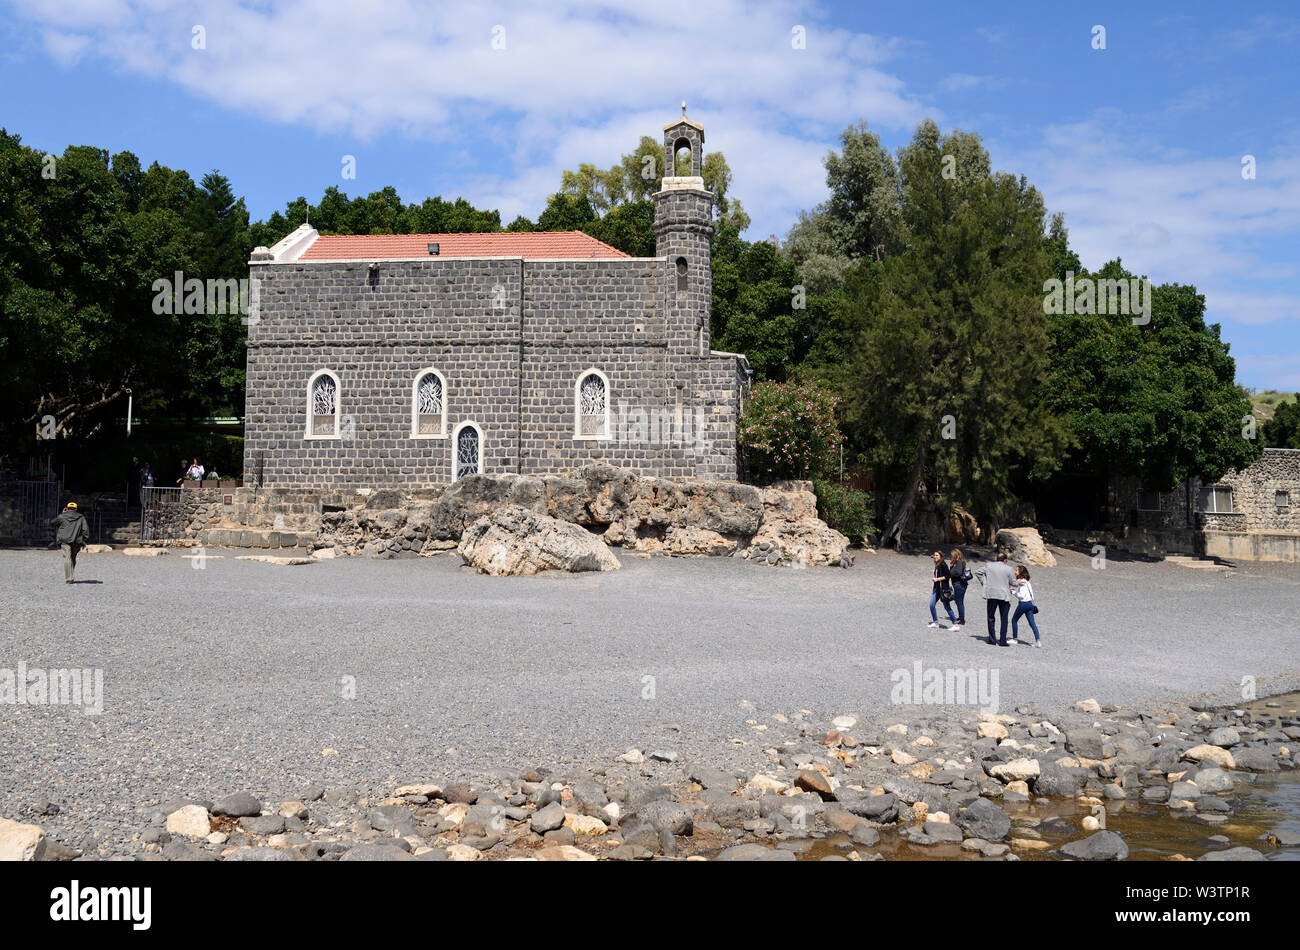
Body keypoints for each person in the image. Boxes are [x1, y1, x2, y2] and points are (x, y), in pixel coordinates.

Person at [975, 552, 1017, 646]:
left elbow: (978, 572)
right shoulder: (1009, 568)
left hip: (991, 594)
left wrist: (985, 583)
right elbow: (1013, 582)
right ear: (1005, 560)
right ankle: (1002, 640)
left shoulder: (989, 565)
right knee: (1004, 618)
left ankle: (992, 639)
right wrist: (1018, 582)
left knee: (990, 617)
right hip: (1004, 595)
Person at [50, 501, 90, 584]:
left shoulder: (62, 516)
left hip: (64, 540)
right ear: (76, 509)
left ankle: (69, 578)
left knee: (67, 557)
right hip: (77, 541)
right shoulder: (81, 517)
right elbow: (86, 531)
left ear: (67, 508)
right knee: (73, 557)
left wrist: (62, 514)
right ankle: (70, 575)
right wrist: (82, 540)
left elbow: (53, 523)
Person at [1011, 565, 1042, 647]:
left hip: (1023, 604)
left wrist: (1013, 592)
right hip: (1030, 604)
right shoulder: (1027, 582)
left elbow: (1021, 596)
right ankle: (1038, 641)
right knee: (1032, 623)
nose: (1015, 572)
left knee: (1014, 620)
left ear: (1020, 572)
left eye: (1016, 570)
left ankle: (1015, 639)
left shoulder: (1021, 582)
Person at [927, 551, 958, 629]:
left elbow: (948, 576)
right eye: (934, 555)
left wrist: (937, 579)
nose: (935, 556)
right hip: (937, 589)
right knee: (931, 605)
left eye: (937, 555)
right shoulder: (937, 564)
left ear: (941, 556)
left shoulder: (943, 564)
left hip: (943, 589)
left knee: (947, 607)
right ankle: (936, 622)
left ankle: (955, 624)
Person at [950, 549, 972, 628]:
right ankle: (961, 617)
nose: (951, 557)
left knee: (959, 602)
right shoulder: (959, 562)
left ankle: (962, 619)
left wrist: (951, 571)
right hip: (960, 585)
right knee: (959, 601)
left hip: (959, 585)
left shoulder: (959, 562)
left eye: (952, 556)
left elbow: (958, 573)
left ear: (956, 556)